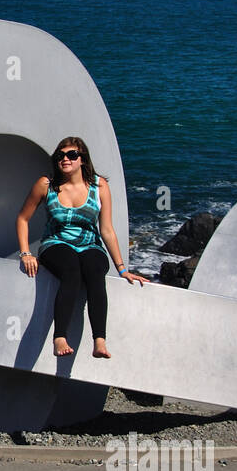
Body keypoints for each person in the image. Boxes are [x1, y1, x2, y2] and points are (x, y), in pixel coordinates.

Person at [15, 136, 150, 357]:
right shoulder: (46, 185)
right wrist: (25, 253)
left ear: (83, 160)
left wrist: (122, 269)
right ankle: (59, 337)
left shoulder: (99, 186)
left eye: (72, 155)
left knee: (95, 271)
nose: (65, 159)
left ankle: (99, 340)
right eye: (60, 155)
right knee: (71, 271)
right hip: (56, 243)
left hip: (91, 244)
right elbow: (22, 218)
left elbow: (106, 229)